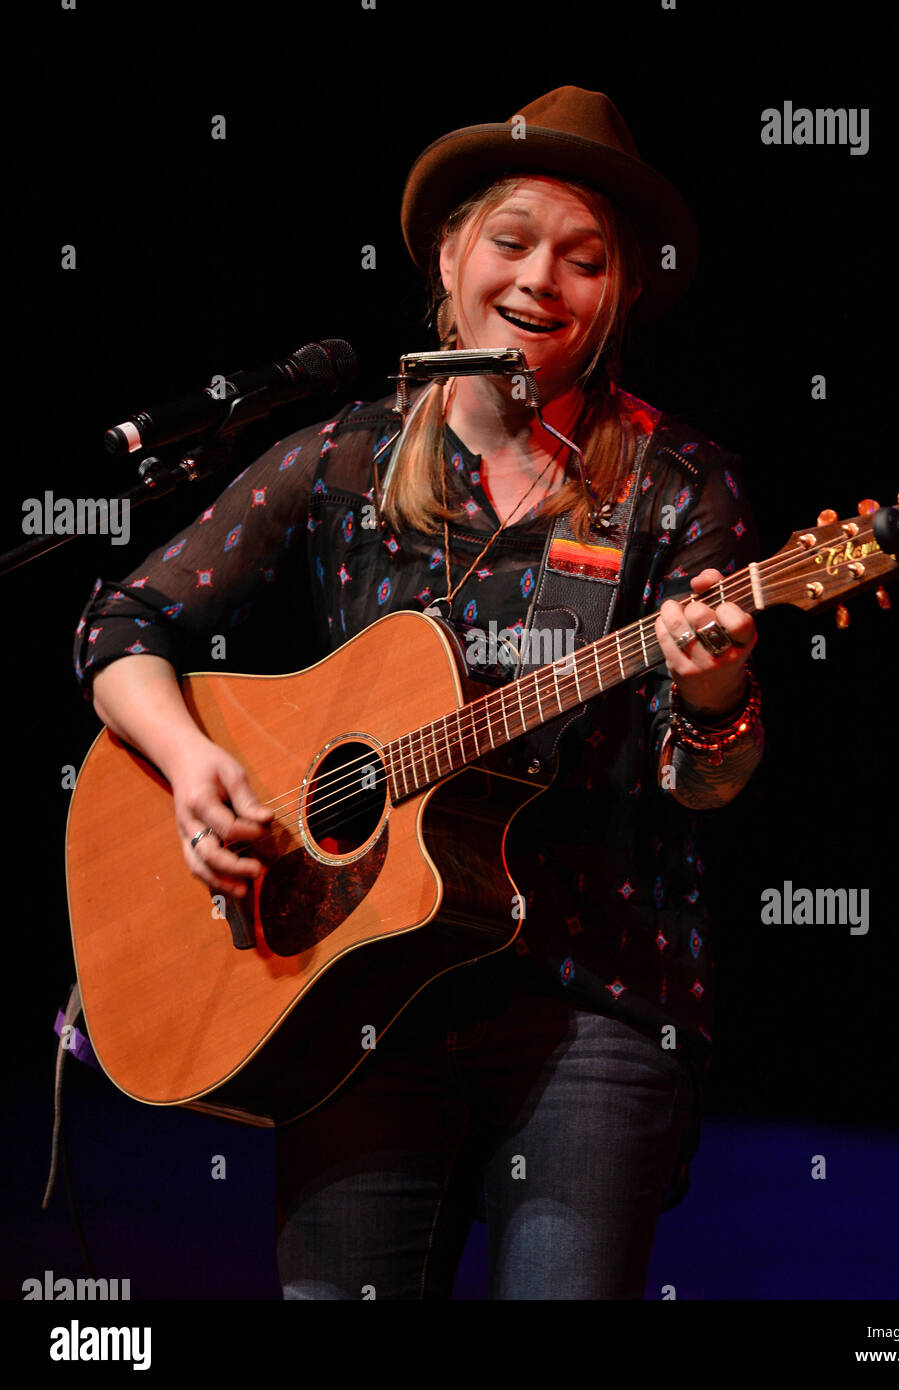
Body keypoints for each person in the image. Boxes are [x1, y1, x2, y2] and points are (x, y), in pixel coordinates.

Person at [73, 86, 765, 1300]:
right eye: (510, 240)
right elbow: (123, 622)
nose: (539, 278)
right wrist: (193, 768)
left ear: (618, 300)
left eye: (583, 258)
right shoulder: (342, 454)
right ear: (449, 259)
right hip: (350, 995)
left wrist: (714, 691)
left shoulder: (673, 485)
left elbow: (701, 780)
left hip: (586, 998)